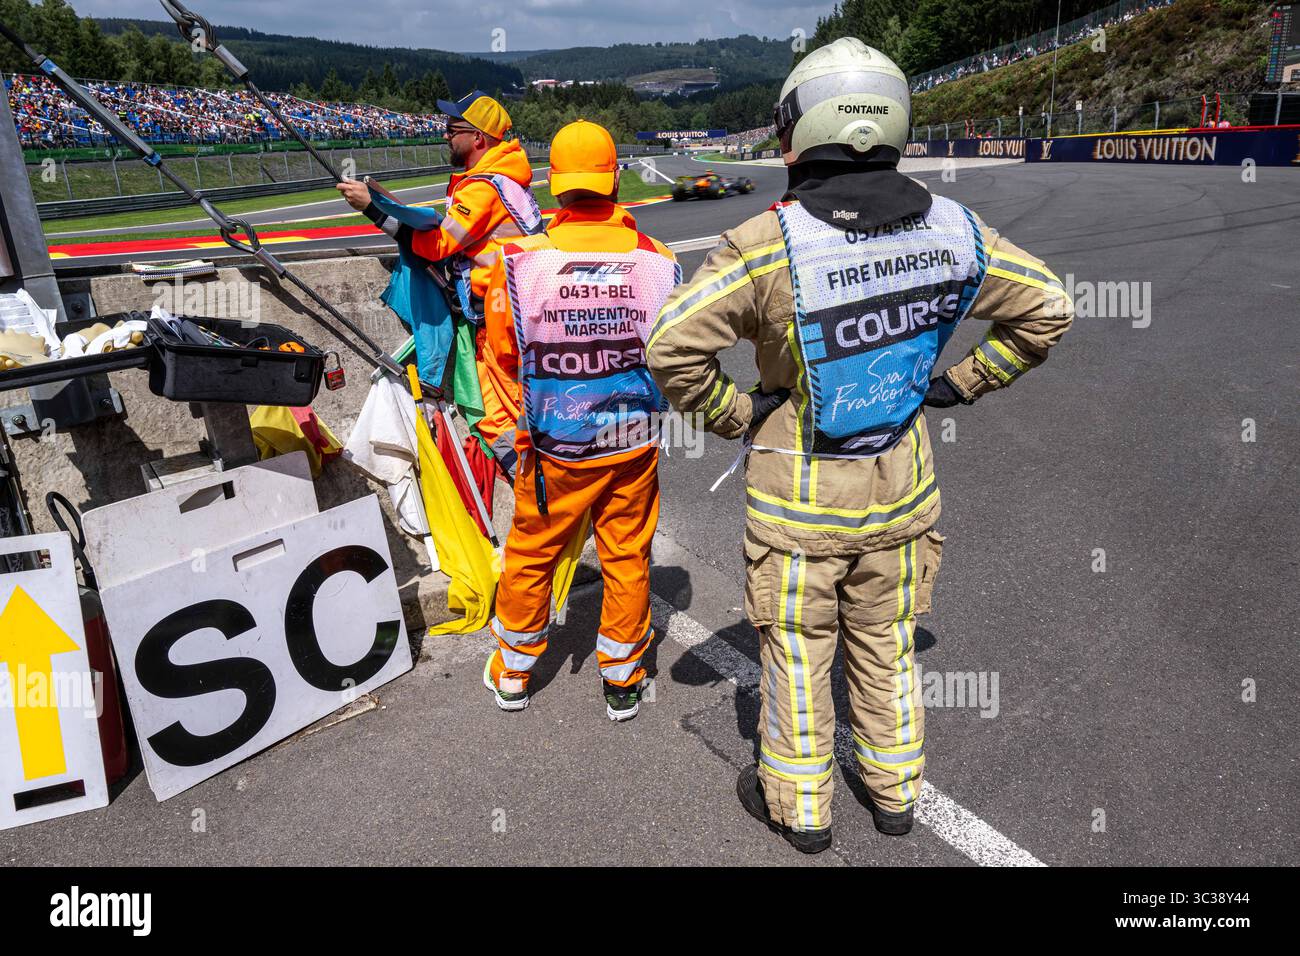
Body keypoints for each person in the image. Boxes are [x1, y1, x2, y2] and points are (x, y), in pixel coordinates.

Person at [647, 37, 1073, 853]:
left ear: (801, 128)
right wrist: (961, 382)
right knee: (885, 645)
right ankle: (894, 792)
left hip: (798, 503)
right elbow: (1049, 306)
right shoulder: (957, 229)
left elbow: (670, 346)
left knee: (800, 655)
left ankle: (801, 808)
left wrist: (734, 415)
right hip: (904, 490)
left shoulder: (765, 243)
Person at [480, 120, 678, 722]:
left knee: (533, 554)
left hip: (552, 445)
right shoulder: (659, 261)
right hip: (631, 440)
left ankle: (514, 673)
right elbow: (670, 353)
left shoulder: (516, 262)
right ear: (615, 178)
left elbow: (503, 357)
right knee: (625, 555)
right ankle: (622, 679)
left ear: (552, 185)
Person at [337, 90, 540, 465]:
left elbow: (436, 245)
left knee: (497, 413)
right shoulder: (509, 179)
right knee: (506, 410)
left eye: (452, 128)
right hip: (514, 308)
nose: (445, 135)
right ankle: (536, 479)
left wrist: (373, 208)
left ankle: (535, 483)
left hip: (499, 319)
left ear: (478, 138)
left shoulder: (483, 187)